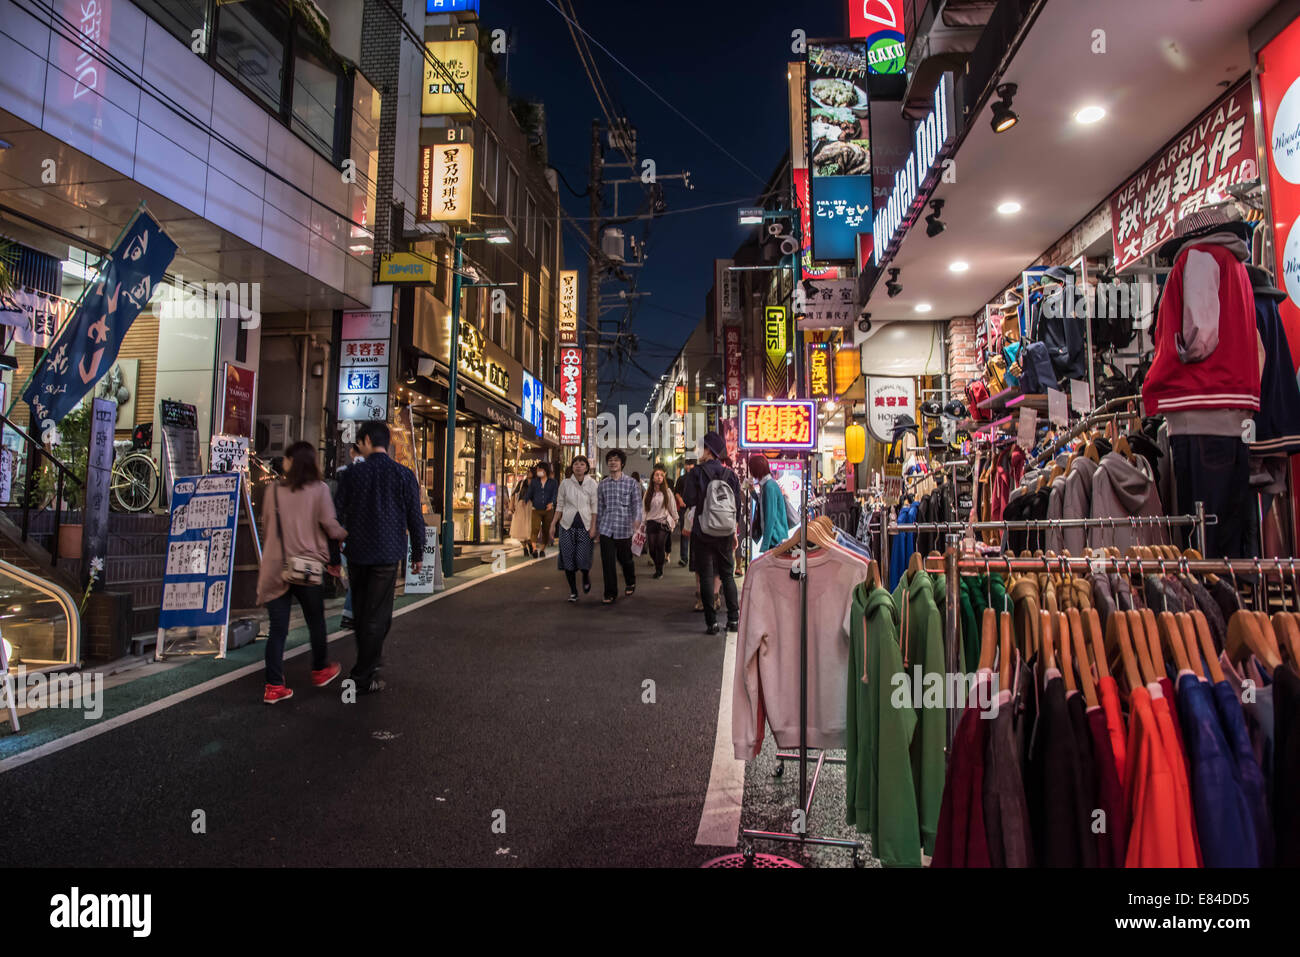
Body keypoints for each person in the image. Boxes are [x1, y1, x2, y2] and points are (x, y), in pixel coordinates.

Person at [334, 420, 425, 695]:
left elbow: (337, 515)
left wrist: (334, 550)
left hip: (358, 551)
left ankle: (367, 665)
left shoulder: (351, 474)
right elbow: (415, 517)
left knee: (362, 611)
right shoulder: (403, 474)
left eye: (359, 441)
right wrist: (418, 552)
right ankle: (364, 671)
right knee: (379, 614)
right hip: (388, 552)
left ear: (365, 441)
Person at [257, 441, 348, 704]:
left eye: (285, 458)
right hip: (306, 567)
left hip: (275, 568)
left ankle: (274, 686)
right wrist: (343, 535)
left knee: (278, 629)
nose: (282, 462)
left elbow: (267, 526)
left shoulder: (272, 490)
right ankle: (320, 670)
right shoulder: (319, 490)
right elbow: (330, 526)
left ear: (291, 462)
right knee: (315, 621)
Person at [683, 431, 741, 635]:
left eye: (701, 447)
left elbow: (689, 500)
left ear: (709, 450)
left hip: (703, 530)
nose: (699, 451)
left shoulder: (696, 473)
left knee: (706, 576)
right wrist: (734, 531)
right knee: (727, 575)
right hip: (725, 531)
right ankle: (733, 619)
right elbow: (737, 506)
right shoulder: (730, 475)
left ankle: (712, 623)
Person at [595, 448, 643, 604]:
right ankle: (610, 593)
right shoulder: (602, 485)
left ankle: (630, 580)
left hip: (624, 528)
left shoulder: (631, 483)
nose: (612, 462)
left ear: (622, 463)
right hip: (606, 528)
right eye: (610, 460)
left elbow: (637, 505)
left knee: (625, 560)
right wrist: (596, 528)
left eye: (616, 460)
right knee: (607, 562)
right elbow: (600, 508)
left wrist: (637, 520)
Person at [550, 454, 598, 601]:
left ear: (586, 467)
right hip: (566, 526)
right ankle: (573, 591)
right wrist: (553, 524)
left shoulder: (592, 484)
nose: (578, 466)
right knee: (568, 559)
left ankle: (585, 576)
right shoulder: (565, 483)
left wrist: (594, 527)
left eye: (582, 464)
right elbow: (560, 505)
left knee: (583, 558)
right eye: (576, 464)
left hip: (585, 526)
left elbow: (595, 507)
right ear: (572, 466)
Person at [334, 442, 363, 630]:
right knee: (359, 576)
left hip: (345, 530)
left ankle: (350, 614)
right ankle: (353, 613)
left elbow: (338, 506)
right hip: (364, 532)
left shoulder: (343, 473)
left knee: (354, 575)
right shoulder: (375, 471)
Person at [747, 454, 790, 552]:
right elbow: (763, 504)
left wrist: (765, 545)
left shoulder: (769, 486)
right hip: (776, 538)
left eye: (751, 469)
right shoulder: (767, 485)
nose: (751, 473)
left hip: (775, 540)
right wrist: (752, 491)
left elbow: (770, 517)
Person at [643, 465, 678, 578]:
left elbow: (672, 507)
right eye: (657, 475)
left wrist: (675, 519)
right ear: (652, 477)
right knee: (652, 548)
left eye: (661, 475)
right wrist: (642, 522)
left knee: (660, 545)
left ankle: (659, 570)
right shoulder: (648, 492)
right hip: (651, 522)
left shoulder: (667, 492)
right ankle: (658, 563)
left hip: (663, 522)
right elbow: (644, 509)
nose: (659, 477)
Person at [527, 461, 558, 558]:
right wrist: (524, 501)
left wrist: (552, 503)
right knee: (535, 528)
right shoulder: (534, 481)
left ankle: (543, 549)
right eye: (537, 469)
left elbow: (555, 494)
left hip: (548, 510)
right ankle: (535, 549)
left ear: (545, 470)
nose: (538, 471)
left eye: (540, 469)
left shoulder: (553, 482)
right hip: (536, 509)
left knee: (546, 530)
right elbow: (529, 493)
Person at [674, 457, 695, 568]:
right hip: (684, 509)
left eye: (690, 464)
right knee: (684, 533)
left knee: (694, 534)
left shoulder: (697, 478)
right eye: (687, 464)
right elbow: (676, 491)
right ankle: (684, 558)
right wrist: (680, 500)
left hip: (695, 509)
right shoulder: (681, 479)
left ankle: (693, 558)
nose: (688, 467)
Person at [509, 472, 534, 553]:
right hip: (520, 507)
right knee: (519, 529)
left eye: (530, 471)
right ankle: (524, 548)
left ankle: (529, 544)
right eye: (528, 471)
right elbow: (513, 494)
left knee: (529, 529)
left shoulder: (536, 483)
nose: (528, 472)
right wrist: (511, 505)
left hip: (531, 507)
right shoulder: (521, 483)